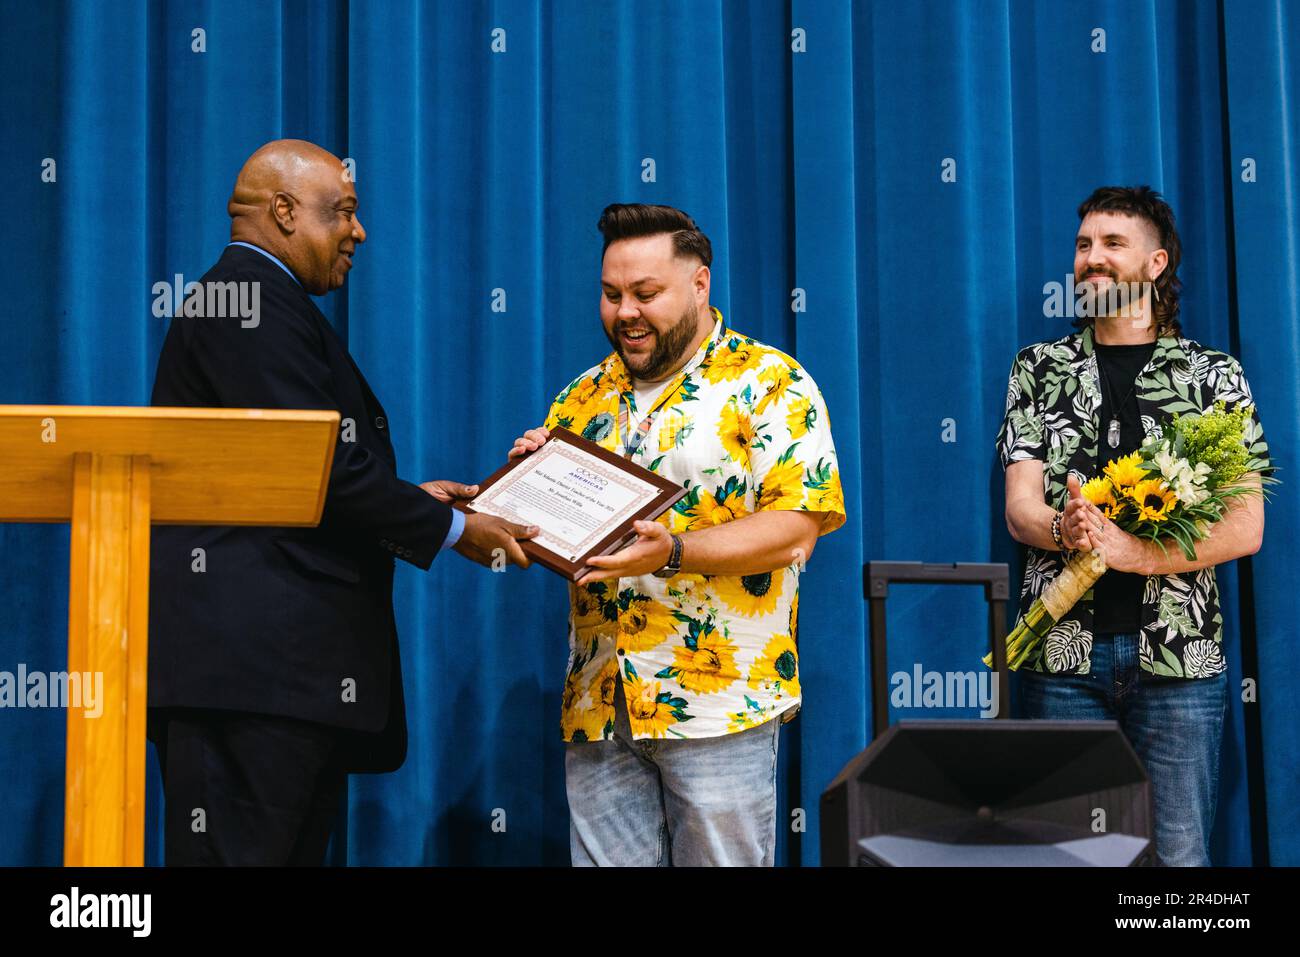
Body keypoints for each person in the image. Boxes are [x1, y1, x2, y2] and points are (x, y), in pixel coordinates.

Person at [148, 139, 536, 865]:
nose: (359, 232)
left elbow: (293, 476)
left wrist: (405, 498)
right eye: (346, 213)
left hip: (273, 683)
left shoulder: (263, 300)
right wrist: (454, 527)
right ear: (286, 211)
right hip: (249, 684)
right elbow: (318, 465)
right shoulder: (246, 300)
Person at [510, 203, 846, 865]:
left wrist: (677, 550)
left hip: (719, 703)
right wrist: (525, 490)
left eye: (645, 293)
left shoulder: (770, 382)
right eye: (611, 294)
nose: (625, 312)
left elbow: (798, 526)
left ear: (700, 285)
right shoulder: (580, 398)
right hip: (599, 699)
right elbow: (555, 536)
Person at [997, 185, 1269, 866]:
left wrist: (1135, 552)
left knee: (1177, 859)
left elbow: (1246, 525)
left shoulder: (1214, 375)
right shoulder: (1038, 368)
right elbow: (1019, 506)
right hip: (1062, 660)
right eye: (1084, 245)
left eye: (1112, 244)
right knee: (1071, 858)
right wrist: (1064, 529)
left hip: (1181, 661)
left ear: (1156, 264)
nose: (1092, 258)